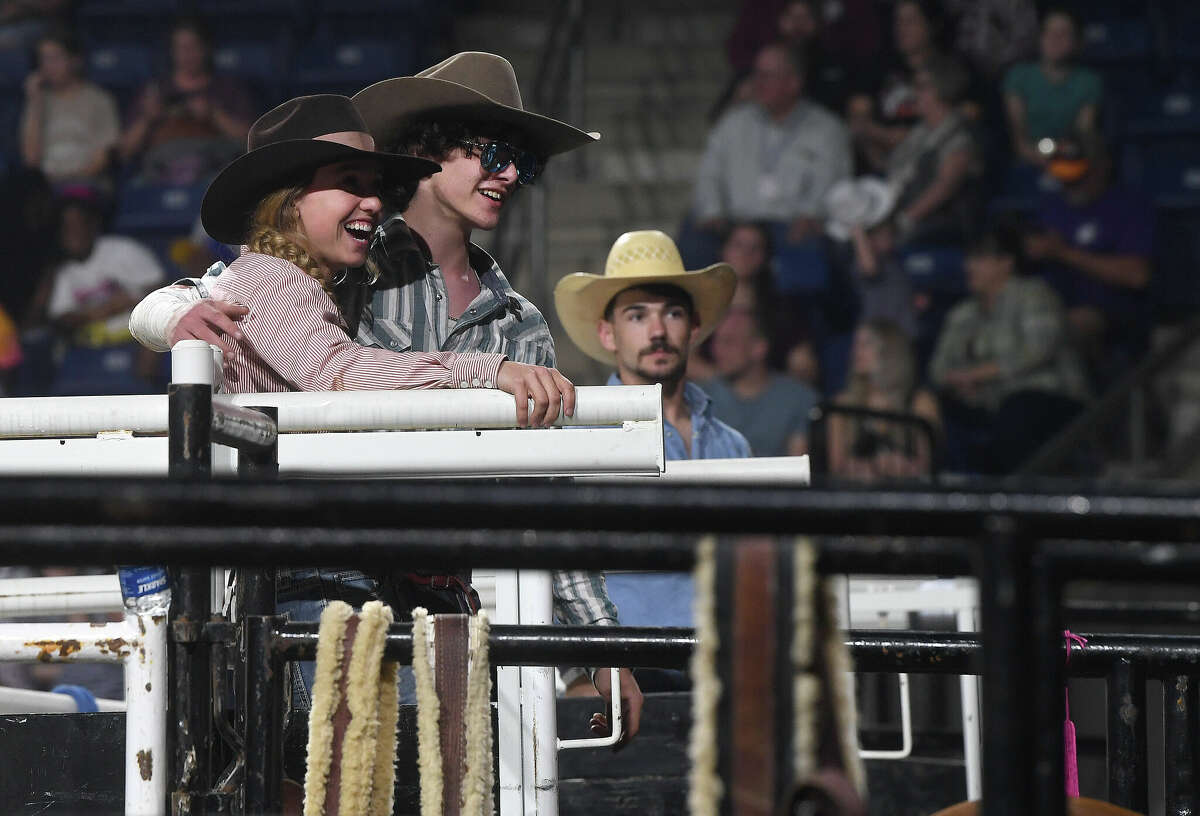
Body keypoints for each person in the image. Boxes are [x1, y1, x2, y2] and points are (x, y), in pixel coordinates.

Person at [129, 53, 642, 740]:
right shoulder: (334, 265)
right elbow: (221, 306)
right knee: (350, 771)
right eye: (491, 151)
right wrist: (166, 318)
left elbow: (545, 494)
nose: (510, 172)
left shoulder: (514, 321)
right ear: (427, 154)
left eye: (520, 158)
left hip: (418, 595)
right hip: (327, 574)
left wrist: (597, 644)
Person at [554, 229, 750, 689]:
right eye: (637, 316)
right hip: (623, 670)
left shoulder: (731, 444)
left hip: (720, 671)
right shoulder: (577, 440)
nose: (658, 332)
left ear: (694, 327)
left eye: (672, 314)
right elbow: (558, 561)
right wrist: (581, 674)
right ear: (608, 333)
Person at [930, 225, 1088, 474]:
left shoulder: (1034, 293)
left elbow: (1038, 350)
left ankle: (1020, 496)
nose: (969, 266)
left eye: (979, 259)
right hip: (986, 403)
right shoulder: (962, 312)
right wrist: (956, 381)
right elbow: (938, 369)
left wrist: (977, 374)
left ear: (1006, 262)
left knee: (1017, 410)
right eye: (969, 258)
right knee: (933, 406)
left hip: (1049, 397)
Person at [690, 41, 851, 258]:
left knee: (812, 250)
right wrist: (713, 212)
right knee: (693, 240)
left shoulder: (826, 128)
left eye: (768, 76)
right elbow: (709, 174)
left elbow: (834, 181)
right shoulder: (732, 123)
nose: (758, 83)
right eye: (757, 74)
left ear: (794, 83)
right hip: (734, 225)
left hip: (791, 227)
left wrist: (812, 214)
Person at [1023, 132, 1150, 373]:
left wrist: (1064, 253)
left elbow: (1137, 276)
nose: (1069, 184)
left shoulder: (1129, 206)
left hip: (1111, 309)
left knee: (1056, 329)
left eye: (1077, 177)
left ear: (1101, 167)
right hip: (1051, 303)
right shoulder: (1053, 205)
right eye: (1064, 177)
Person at [44, 191, 165, 395]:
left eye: (76, 225)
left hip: (136, 339)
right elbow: (62, 317)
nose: (71, 232)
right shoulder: (65, 272)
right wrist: (102, 310)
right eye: (66, 227)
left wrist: (130, 300)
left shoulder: (122, 250)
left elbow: (163, 289)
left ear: (92, 225)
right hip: (91, 346)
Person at [119, 16, 255, 184]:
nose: (187, 55)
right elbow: (125, 151)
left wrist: (214, 116)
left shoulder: (227, 88)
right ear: (172, 52)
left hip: (211, 167)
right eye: (181, 48)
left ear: (206, 48)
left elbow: (249, 142)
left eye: (193, 47)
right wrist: (147, 119)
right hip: (161, 169)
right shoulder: (155, 91)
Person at [884, 56, 981, 246]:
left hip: (933, 224)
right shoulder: (920, 131)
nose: (914, 93)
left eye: (922, 87)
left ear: (942, 90)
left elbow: (943, 188)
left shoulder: (958, 137)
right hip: (897, 212)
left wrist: (899, 223)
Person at [827, 318, 939, 480]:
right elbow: (835, 469)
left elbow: (928, 468)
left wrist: (900, 466)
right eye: (856, 344)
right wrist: (871, 467)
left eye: (867, 344)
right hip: (857, 497)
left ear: (891, 351)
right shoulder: (842, 405)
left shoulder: (920, 402)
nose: (856, 352)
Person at [706, 305, 818, 456]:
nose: (717, 350)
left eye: (729, 342)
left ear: (759, 348)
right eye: (716, 341)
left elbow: (800, 468)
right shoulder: (701, 399)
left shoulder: (796, 399)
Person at [19, 29, 120, 190]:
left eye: (55, 59)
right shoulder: (37, 102)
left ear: (75, 61)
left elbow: (103, 157)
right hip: (46, 184)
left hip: (86, 181)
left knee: (72, 207)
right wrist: (35, 103)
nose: (48, 66)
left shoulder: (99, 100)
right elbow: (31, 160)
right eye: (43, 60)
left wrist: (72, 180)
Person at [1003, 8, 1101, 168]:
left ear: (1076, 41)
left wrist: (1068, 151)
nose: (1055, 39)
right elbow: (1019, 137)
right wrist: (1038, 156)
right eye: (1048, 32)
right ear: (1039, 38)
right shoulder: (1018, 76)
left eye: (1063, 34)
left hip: (1071, 157)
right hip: (1027, 159)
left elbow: (1084, 130)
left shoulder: (1089, 81)